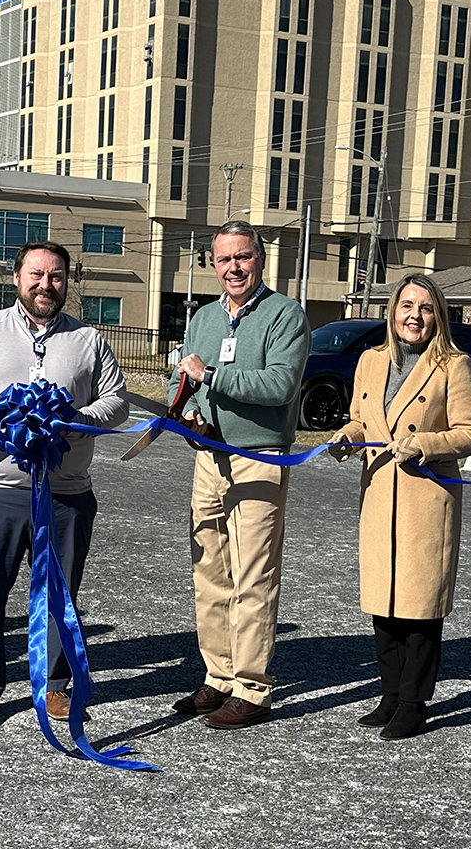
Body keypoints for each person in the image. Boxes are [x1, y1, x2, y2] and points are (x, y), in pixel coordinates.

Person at [0, 241, 129, 727]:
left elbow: (118, 402)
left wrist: (76, 419)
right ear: (16, 277)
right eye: (36, 274)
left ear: (66, 282)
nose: (46, 284)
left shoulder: (88, 340)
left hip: (65, 494)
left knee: (60, 593)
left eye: (56, 276)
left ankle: (55, 684)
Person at [168, 221, 310, 730]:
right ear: (213, 264)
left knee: (253, 573)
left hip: (261, 458)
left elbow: (279, 384)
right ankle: (218, 675)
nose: (234, 267)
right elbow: (180, 377)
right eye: (224, 259)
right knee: (209, 571)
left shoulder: (285, 315)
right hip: (209, 457)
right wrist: (182, 408)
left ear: (261, 259)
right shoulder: (203, 317)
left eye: (243, 257)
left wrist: (214, 377)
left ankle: (252, 688)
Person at [329, 274, 471, 740]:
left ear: (438, 315)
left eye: (425, 308)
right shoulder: (370, 360)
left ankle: (415, 703)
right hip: (379, 495)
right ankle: (391, 693)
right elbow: (361, 420)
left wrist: (425, 443)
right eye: (406, 306)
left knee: (419, 606)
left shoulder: (454, 364)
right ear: (392, 312)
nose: (414, 316)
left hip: (426, 499)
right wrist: (347, 438)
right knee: (384, 601)